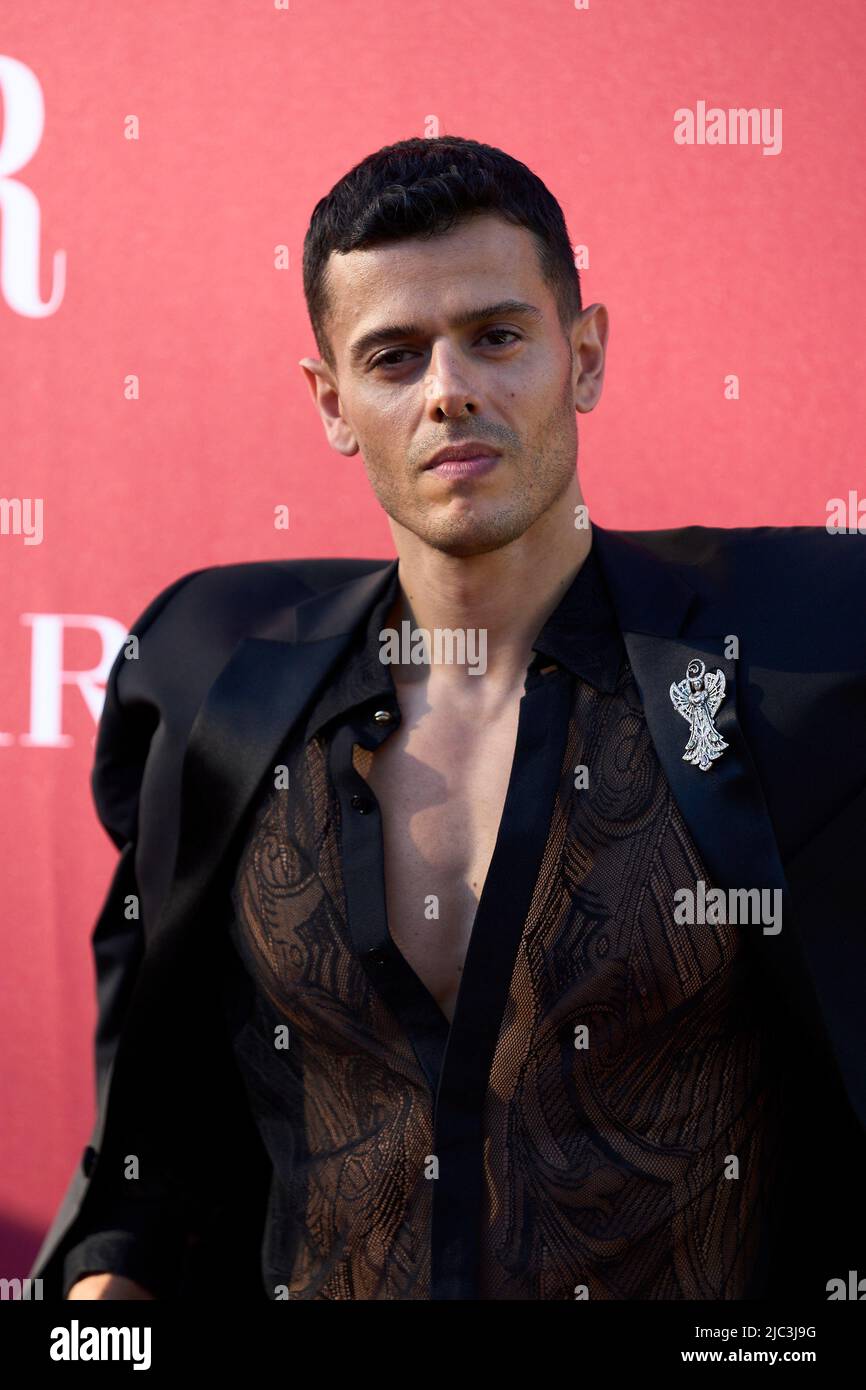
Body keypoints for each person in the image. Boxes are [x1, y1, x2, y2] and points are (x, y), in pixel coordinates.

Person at [29, 135, 866, 1301]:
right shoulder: (215, 689)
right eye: (393, 355)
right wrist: (104, 1295)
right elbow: (154, 1141)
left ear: (583, 355)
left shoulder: (799, 663)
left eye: (496, 336)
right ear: (330, 402)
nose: (448, 389)